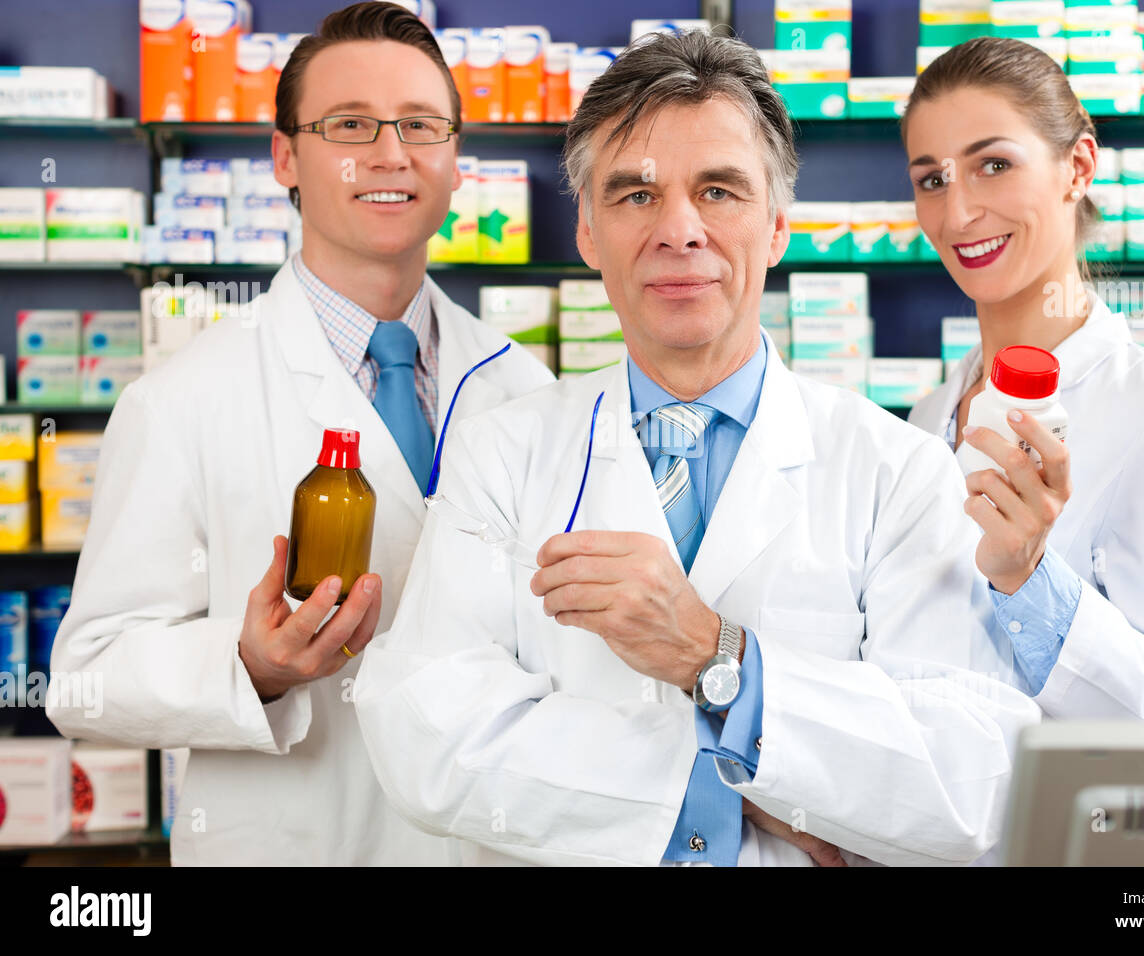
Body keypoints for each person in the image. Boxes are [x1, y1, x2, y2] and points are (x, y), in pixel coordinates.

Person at [355, 30, 1040, 867]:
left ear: (779, 225)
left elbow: (969, 775)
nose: (679, 230)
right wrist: (731, 786)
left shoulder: (895, 472)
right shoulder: (501, 455)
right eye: (635, 195)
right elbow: (427, 732)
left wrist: (715, 654)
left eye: (718, 190)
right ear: (589, 234)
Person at [45, 1, 552, 865]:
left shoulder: (524, 388)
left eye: (421, 126)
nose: (391, 154)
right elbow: (84, 680)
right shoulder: (182, 400)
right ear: (286, 155)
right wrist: (251, 665)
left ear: (456, 159)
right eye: (350, 124)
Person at [903, 36, 1144, 722]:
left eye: (993, 164)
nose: (958, 213)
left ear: (1077, 167)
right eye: (932, 179)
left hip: (1059, 829)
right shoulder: (927, 415)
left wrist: (1030, 579)